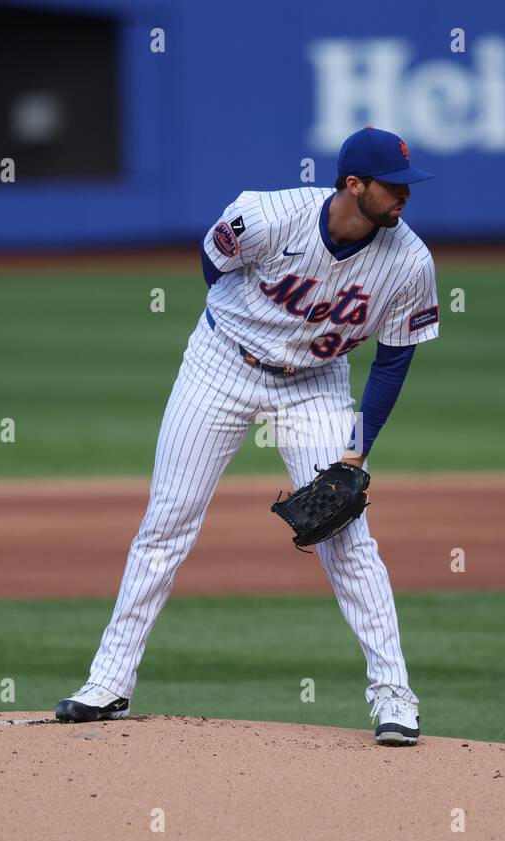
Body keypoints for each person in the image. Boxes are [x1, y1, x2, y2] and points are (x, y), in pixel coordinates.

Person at [55, 127, 440, 745]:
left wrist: (356, 448)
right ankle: (109, 683)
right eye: (392, 187)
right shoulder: (266, 216)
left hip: (315, 384)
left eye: (406, 186)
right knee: (168, 522)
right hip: (221, 363)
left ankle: (395, 697)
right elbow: (213, 260)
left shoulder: (410, 261)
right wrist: (263, 318)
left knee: (347, 538)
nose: (404, 197)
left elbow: (394, 360)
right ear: (353, 185)